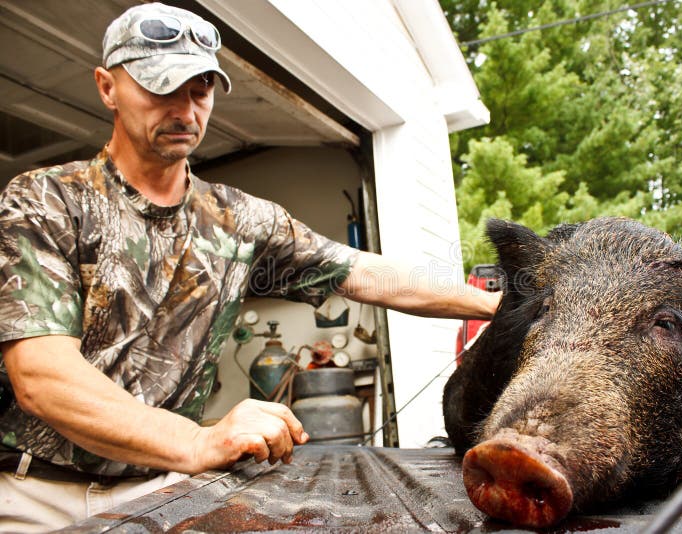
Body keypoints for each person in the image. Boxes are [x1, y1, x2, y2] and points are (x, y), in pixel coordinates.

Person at [0, 3, 499, 531]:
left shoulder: (241, 221)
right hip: (36, 493)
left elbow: (367, 273)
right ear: (107, 87)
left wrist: (495, 306)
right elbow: (42, 377)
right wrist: (198, 439)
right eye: (161, 88)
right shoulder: (46, 201)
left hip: (163, 486)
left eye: (200, 91)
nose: (185, 111)